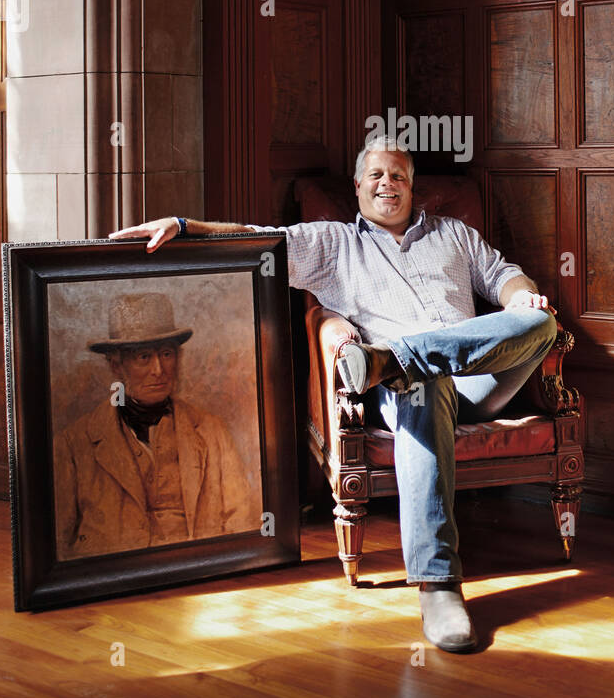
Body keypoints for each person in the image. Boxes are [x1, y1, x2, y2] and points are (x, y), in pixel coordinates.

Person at [110, 139, 557, 652]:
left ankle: (401, 354)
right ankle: (437, 585)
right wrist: (186, 227)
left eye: (398, 176)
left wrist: (520, 294)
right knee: (421, 384)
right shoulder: (335, 243)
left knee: (540, 322)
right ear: (358, 186)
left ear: (413, 187)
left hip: (476, 376)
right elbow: (261, 239)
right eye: (376, 175)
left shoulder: (454, 234)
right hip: (404, 390)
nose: (387, 183)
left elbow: (503, 275)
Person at [53, 292, 259, 559]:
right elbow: (59, 543)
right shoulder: (73, 443)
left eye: (166, 354)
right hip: (114, 579)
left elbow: (241, 521)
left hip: (195, 569)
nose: (159, 370)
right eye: (143, 357)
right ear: (117, 365)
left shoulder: (211, 432)